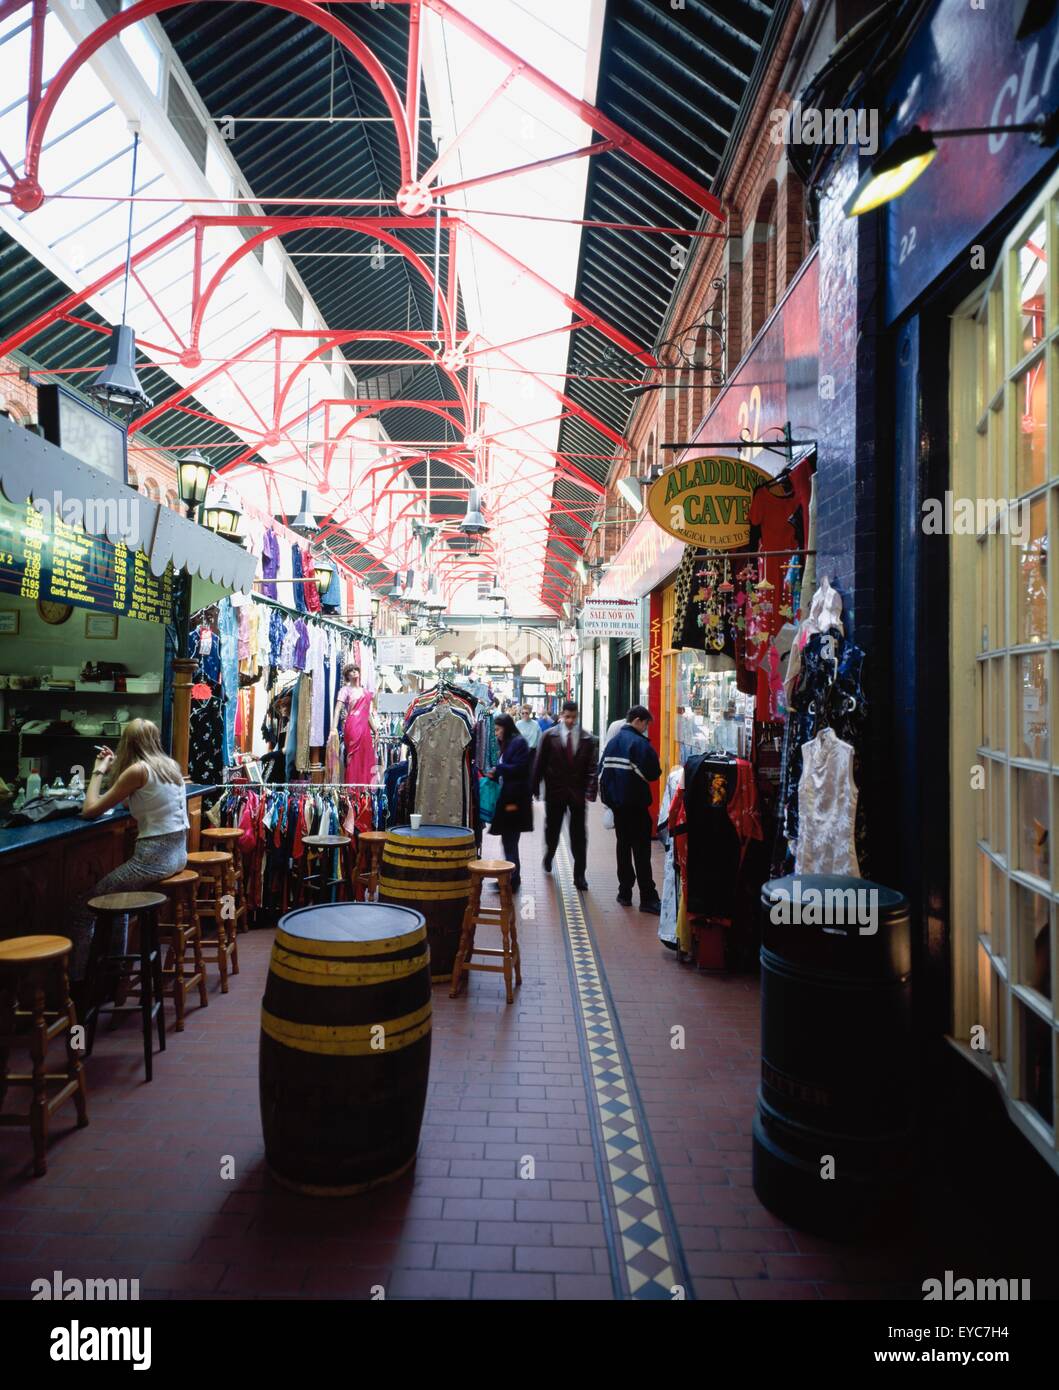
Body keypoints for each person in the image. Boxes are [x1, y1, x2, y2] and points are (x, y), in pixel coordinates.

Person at [71, 719, 190, 991]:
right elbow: (133, 800)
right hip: (177, 854)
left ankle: (78, 985)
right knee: (120, 901)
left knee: (83, 907)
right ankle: (117, 974)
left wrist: (99, 772)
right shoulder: (169, 766)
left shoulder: (138, 770)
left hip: (152, 860)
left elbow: (90, 809)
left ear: (128, 743)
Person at [599, 704, 662, 914]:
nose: (646, 729)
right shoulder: (638, 744)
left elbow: (602, 773)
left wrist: (610, 801)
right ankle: (647, 897)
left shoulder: (612, 744)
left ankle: (624, 892)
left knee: (623, 848)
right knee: (641, 852)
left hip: (618, 807)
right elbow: (654, 773)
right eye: (646, 725)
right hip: (636, 806)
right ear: (638, 721)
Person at [532, 699, 598, 890]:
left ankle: (579, 875)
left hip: (576, 793)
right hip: (555, 791)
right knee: (552, 829)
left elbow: (592, 767)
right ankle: (550, 853)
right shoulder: (548, 736)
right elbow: (539, 763)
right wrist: (535, 787)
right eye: (567, 717)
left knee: (579, 835)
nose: (570, 721)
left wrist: (590, 791)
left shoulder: (587, 739)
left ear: (577, 716)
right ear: (561, 715)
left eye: (573, 717)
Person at [485, 712, 532, 890]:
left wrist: (499, 769)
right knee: (508, 841)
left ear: (506, 727)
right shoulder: (507, 744)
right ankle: (512, 877)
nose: (496, 733)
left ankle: (511, 880)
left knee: (510, 840)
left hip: (515, 800)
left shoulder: (518, 743)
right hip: (509, 797)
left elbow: (520, 768)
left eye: (497, 729)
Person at [333, 663, 378, 785]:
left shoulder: (366, 692)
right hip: (353, 726)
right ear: (347, 676)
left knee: (365, 756)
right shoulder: (345, 690)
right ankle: (352, 791)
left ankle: (365, 790)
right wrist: (333, 728)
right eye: (350, 671)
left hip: (365, 728)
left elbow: (367, 713)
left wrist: (375, 729)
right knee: (353, 757)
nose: (354, 672)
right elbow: (337, 709)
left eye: (355, 670)